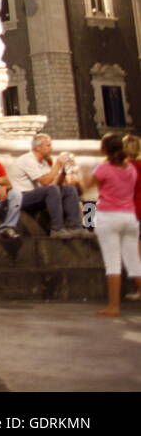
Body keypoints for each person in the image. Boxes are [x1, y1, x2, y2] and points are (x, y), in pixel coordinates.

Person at [79, 134, 141, 316]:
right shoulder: (130, 168)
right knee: (133, 261)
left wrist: (83, 173)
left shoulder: (103, 168)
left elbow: (86, 187)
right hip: (129, 216)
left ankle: (114, 306)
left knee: (113, 262)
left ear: (104, 149)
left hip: (109, 216)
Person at [9, 134, 91, 238]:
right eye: (48, 145)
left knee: (69, 190)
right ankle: (57, 229)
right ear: (38, 148)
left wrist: (63, 172)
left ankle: (75, 227)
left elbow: (54, 184)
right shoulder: (27, 159)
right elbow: (45, 182)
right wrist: (57, 165)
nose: (51, 148)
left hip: (39, 195)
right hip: (21, 196)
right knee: (55, 191)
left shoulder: (43, 162)